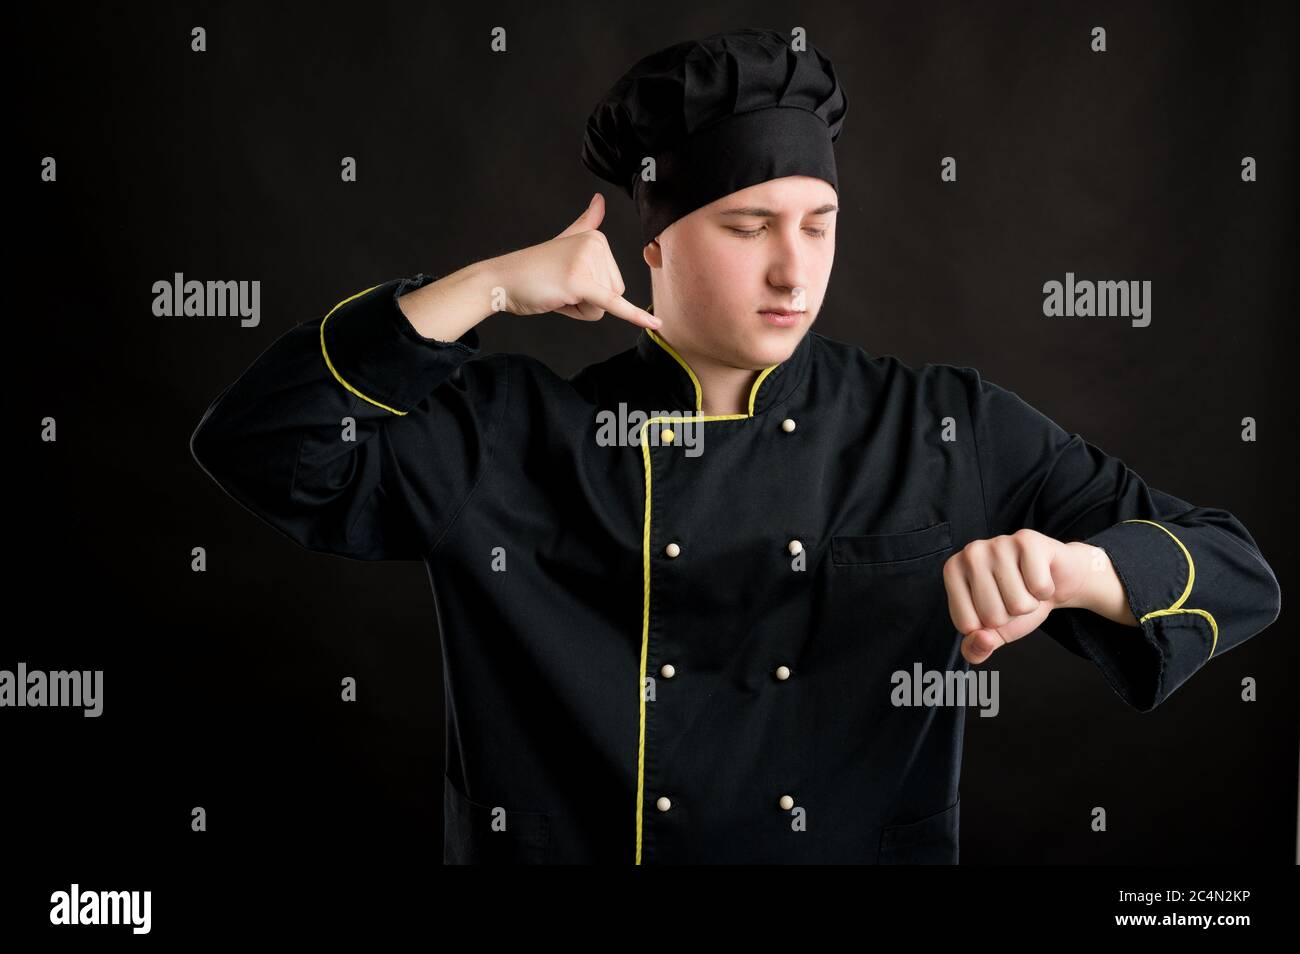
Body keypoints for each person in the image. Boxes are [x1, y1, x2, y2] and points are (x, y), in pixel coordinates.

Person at [189, 28, 1281, 864]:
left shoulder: (939, 425)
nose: (792, 272)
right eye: (748, 227)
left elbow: (1237, 572)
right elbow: (264, 445)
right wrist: (479, 290)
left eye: (818, 224)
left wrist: (1078, 570)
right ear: (653, 243)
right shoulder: (509, 435)